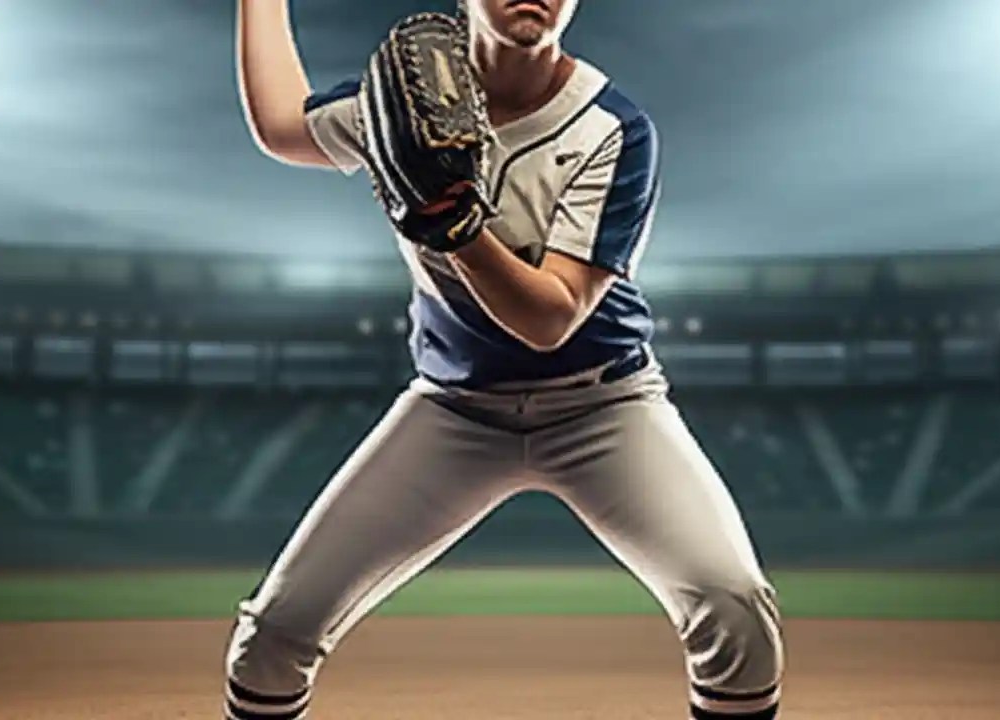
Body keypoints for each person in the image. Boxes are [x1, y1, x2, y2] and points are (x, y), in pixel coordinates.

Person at [224, 1, 785, 718]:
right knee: (272, 636)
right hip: (455, 411)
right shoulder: (404, 107)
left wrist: (454, 227)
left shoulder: (612, 127)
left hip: (604, 408)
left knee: (736, 608)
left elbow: (548, 318)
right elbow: (281, 126)